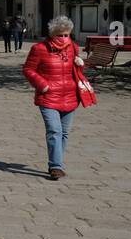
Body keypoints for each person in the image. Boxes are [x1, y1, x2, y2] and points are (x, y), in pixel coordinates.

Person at [23, 15, 96, 180]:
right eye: (60, 35)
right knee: (54, 131)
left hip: (70, 96)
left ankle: (58, 162)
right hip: (48, 96)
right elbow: (28, 70)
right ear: (52, 34)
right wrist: (42, 84)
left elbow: (76, 74)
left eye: (66, 35)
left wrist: (80, 65)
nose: (63, 38)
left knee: (64, 133)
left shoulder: (73, 48)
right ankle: (56, 167)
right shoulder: (39, 49)